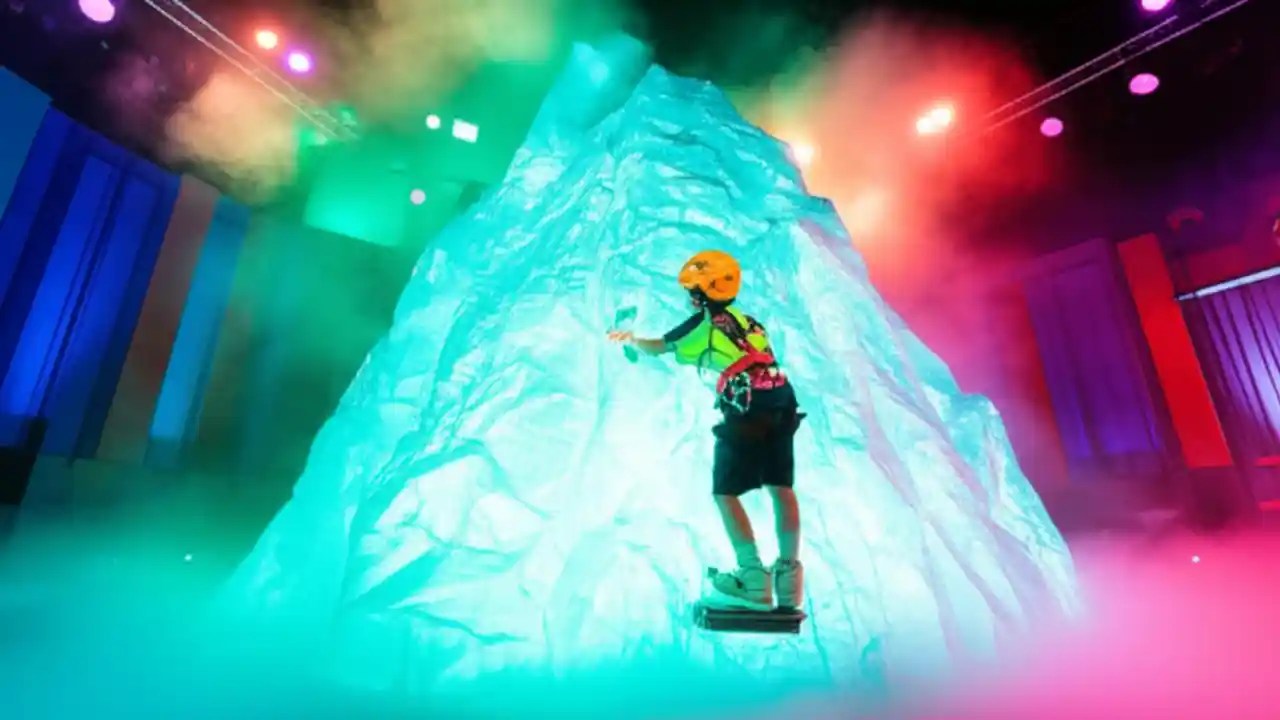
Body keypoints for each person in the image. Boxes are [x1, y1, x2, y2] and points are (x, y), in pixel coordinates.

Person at [607, 250, 805, 612]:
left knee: (725, 492)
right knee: (781, 488)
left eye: (693, 290)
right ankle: (790, 583)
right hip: (782, 401)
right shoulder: (751, 322)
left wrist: (630, 339)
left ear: (704, 292)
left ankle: (753, 580)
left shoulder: (701, 325)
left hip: (748, 409)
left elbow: (660, 347)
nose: (689, 297)